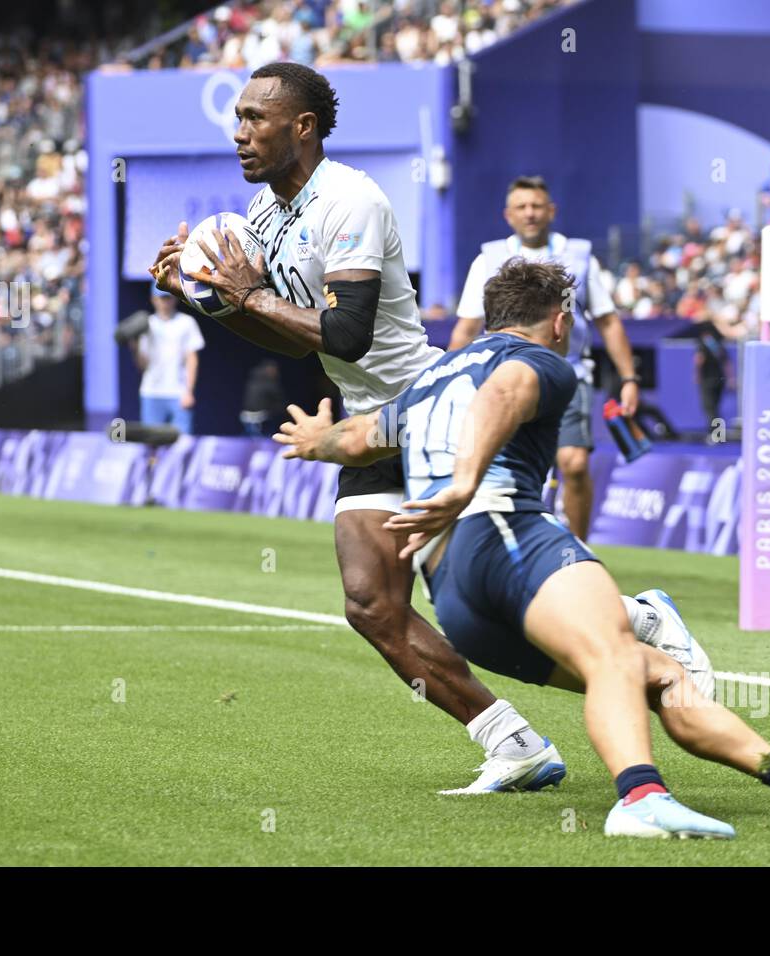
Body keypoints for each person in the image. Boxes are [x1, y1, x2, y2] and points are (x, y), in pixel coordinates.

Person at [274, 259, 770, 838]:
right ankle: (641, 795)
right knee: (616, 657)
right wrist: (464, 480)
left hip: (456, 601)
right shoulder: (542, 363)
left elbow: (361, 436)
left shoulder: (430, 379)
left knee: (651, 675)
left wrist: (317, 440)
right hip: (507, 539)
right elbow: (503, 393)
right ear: (559, 322)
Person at [150, 62, 560, 793]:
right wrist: (207, 299)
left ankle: (639, 628)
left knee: (485, 603)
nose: (240, 133)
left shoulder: (351, 200)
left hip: (429, 409)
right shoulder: (265, 215)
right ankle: (513, 741)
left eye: (255, 119)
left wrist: (247, 295)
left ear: (302, 128)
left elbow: (343, 332)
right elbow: (294, 337)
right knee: (370, 602)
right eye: (238, 118)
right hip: (374, 423)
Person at [447, 175, 641, 541]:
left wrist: (629, 378)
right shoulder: (487, 259)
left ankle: (578, 550)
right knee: (506, 468)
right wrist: (444, 375)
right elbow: (466, 328)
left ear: (551, 211)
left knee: (575, 463)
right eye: (522, 207)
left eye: (537, 206)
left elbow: (608, 322)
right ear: (508, 215)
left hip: (568, 376)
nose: (530, 214)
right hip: (503, 381)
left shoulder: (580, 257)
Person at [136, 290, 203, 433]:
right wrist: (134, 346)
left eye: (168, 298)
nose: (165, 302)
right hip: (151, 391)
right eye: (161, 298)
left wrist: (189, 391)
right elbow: (143, 365)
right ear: (153, 299)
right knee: (151, 445)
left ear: (175, 299)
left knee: (183, 444)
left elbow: (192, 360)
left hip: (178, 392)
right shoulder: (146, 324)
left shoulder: (187, 322)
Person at [240, 359, 287, 437]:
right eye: (273, 370)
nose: (275, 372)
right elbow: (280, 402)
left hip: (246, 416)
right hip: (259, 418)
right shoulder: (269, 384)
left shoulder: (252, 380)